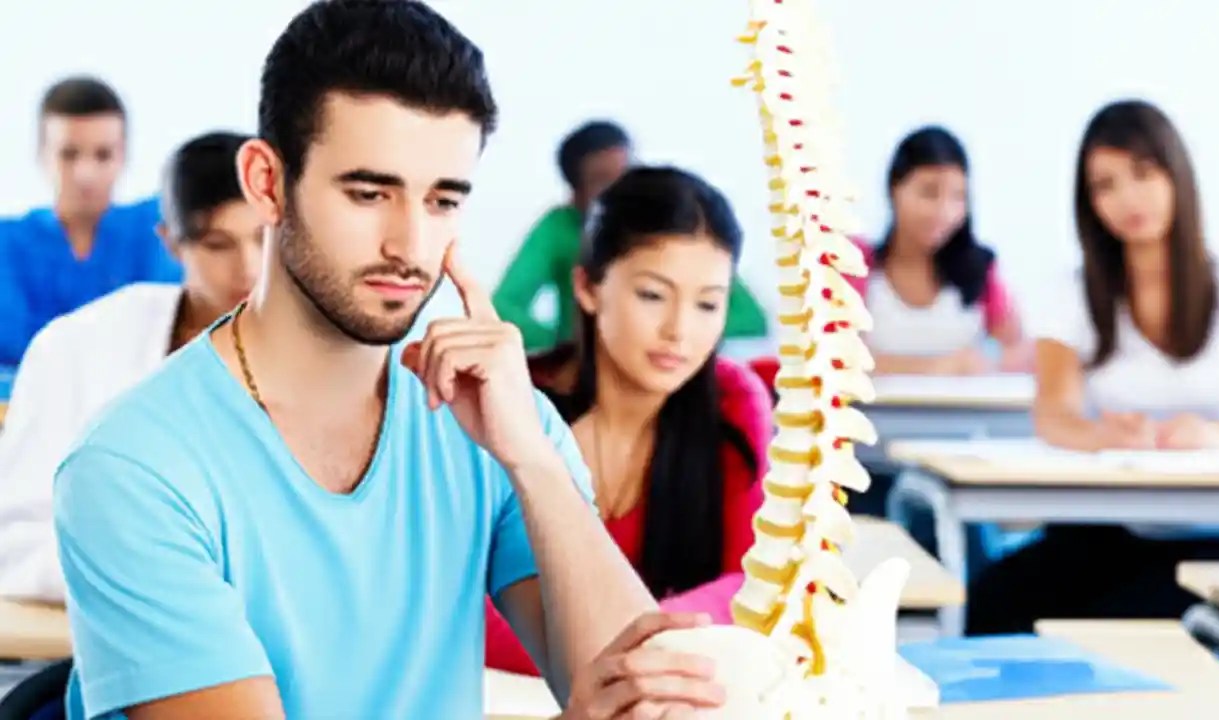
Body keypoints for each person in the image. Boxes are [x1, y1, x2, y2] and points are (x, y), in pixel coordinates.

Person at [52, 3, 724, 719]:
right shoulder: (131, 470)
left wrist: (531, 457)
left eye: (443, 201)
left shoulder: (492, 418)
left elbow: (645, 696)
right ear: (266, 181)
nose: (410, 244)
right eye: (369, 193)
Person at [966, 99, 1219, 634]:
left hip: (1212, 538)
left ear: (1175, 172)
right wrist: (1101, 434)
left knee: (1136, 618)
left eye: (1142, 173)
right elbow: (1054, 415)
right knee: (996, 597)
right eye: (1105, 185)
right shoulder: (1072, 293)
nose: (1128, 198)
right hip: (1101, 526)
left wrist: (1215, 434)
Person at [486, 166, 773, 675]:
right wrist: (630, 645)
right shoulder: (510, 406)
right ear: (588, 288)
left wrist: (628, 642)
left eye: (708, 303)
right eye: (653, 296)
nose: (679, 331)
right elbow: (468, 614)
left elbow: (752, 585)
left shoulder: (732, 400)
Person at [0, 131, 261, 603]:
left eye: (266, 239)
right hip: (114, 631)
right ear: (171, 243)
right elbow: (15, 541)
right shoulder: (77, 348)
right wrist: (146, 574)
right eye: (217, 244)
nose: (249, 267)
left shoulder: (342, 357)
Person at [493, 120, 770, 351]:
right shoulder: (558, 228)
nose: (622, 189)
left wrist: (686, 334)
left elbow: (750, 319)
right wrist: (568, 344)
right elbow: (502, 307)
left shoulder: (670, 224)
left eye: (629, 173)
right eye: (650, 294)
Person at [0, 76, 182, 366]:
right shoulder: (7, 244)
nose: (85, 173)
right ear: (41, 154)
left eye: (103, 155)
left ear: (124, 156)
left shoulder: (158, 232)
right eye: (68, 154)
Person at [849, 126, 1030, 375]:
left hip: (966, 414)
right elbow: (837, 360)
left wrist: (987, 359)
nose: (944, 212)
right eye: (929, 192)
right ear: (894, 189)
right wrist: (936, 367)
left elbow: (1021, 352)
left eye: (958, 197)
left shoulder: (979, 269)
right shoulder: (857, 266)